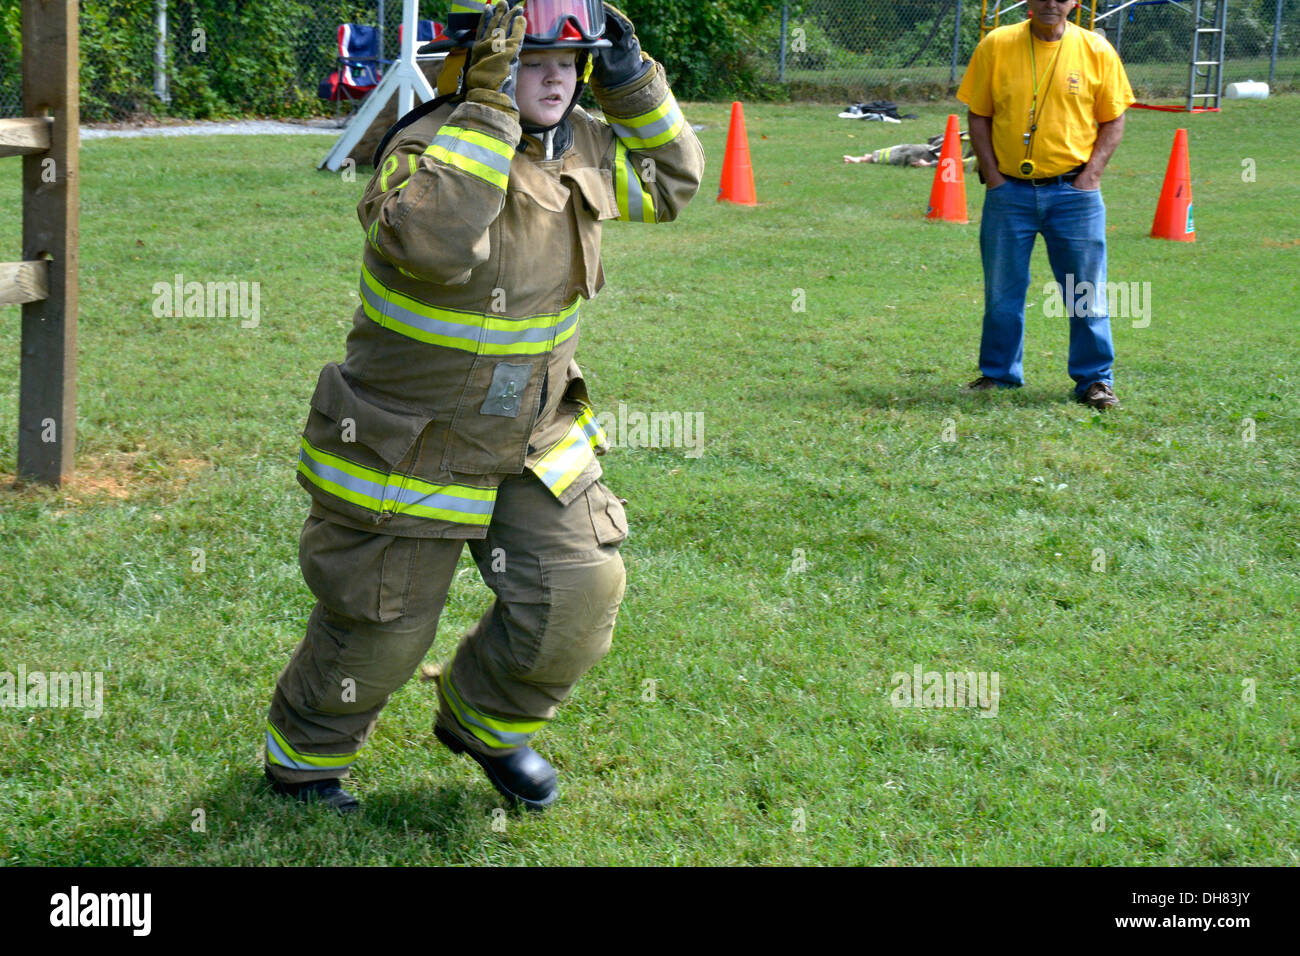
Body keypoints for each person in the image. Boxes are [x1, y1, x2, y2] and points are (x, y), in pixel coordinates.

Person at [262, 0, 703, 813]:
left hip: (535, 434)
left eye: (571, 64)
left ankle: (485, 721)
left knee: (578, 591)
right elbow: (433, 242)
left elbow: (670, 182)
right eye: (531, 60)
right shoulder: (424, 153)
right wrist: (488, 111)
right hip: (413, 443)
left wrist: (631, 79)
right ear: (482, 67)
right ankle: (303, 757)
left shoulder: (581, 150)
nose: (556, 79)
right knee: (383, 627)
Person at [956, 0, 1134, 409]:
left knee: (1085, 291)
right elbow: (978, 114)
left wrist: (1090, 176)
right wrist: (994, 176)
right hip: (1009, 193)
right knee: (1003, 288)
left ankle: (1094, 381)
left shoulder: (1096, 50)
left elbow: (1114, 117)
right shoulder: (996, 45)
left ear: (1074, 2)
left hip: (1074, 193)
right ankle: (999, 375)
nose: (1051, 2)